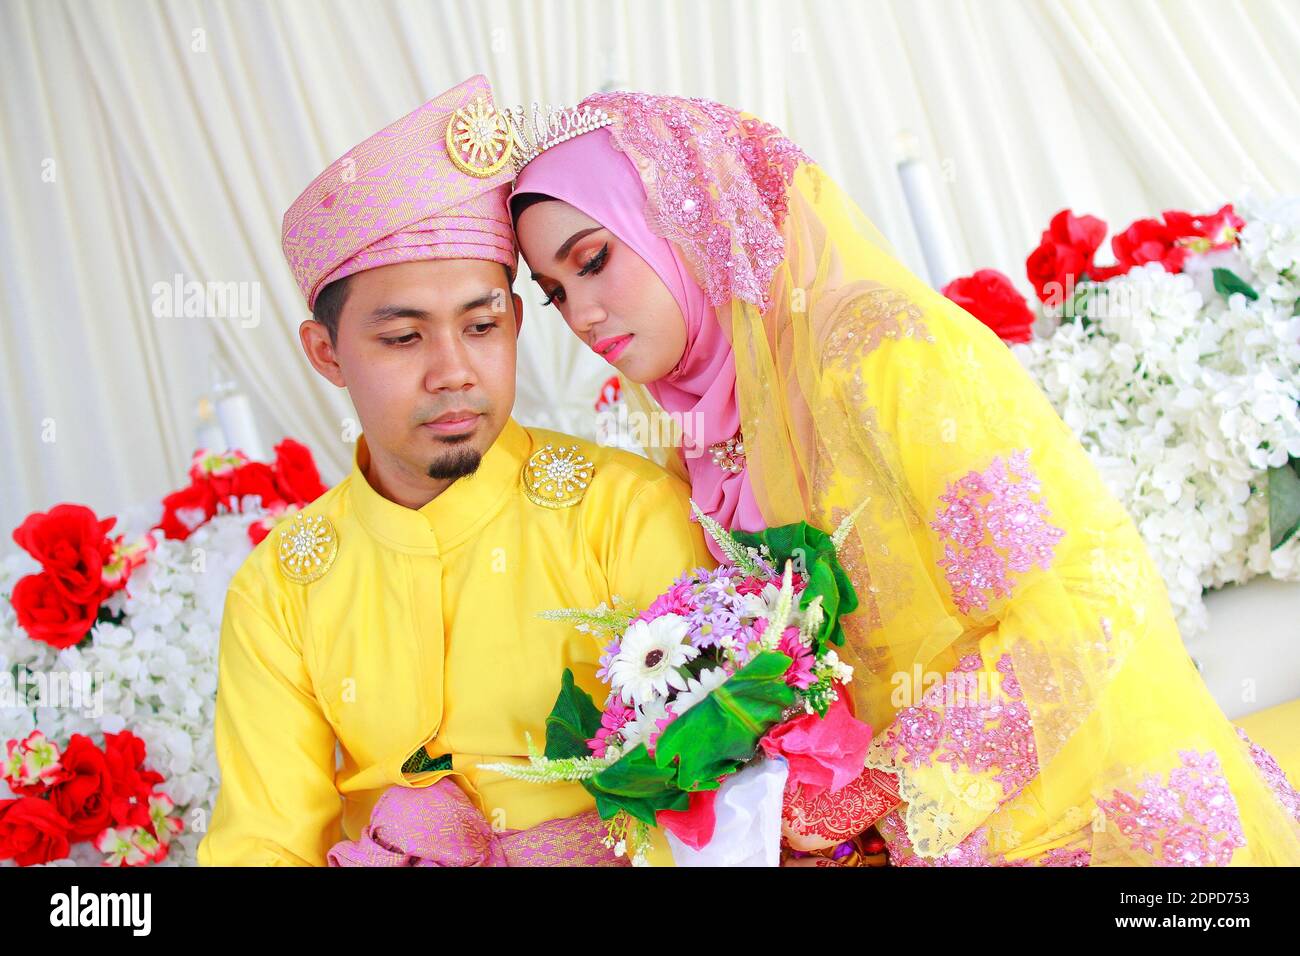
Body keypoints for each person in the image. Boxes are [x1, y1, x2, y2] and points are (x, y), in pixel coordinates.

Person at [508, 91, 1300, 865]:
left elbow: (1084, 602)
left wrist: (875, 787)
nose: (581, 314)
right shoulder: (694, 431)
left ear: (683, 225)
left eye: (594, 261)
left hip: (1076, 805)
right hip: (913, 835)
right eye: (555, 293)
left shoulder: (873, 347)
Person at [196, 76, 714, 867]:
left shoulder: (625, 513)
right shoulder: (280, 591)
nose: (453, 373)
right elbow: (263, 845)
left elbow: (719, 799)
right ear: (326, 353)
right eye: (404, 339)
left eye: (482, 325)